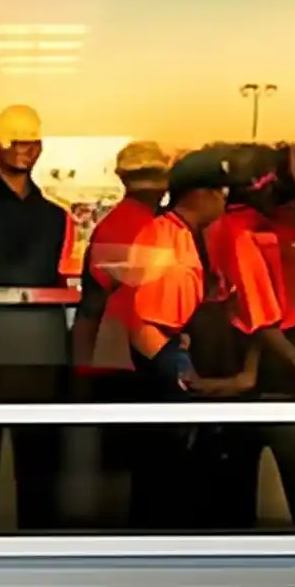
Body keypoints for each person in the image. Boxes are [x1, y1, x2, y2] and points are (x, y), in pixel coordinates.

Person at [107, 147, 259, 529]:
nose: (225, 201)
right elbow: (138, 314)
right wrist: (173, 367)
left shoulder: (182, 235)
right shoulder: (163, 237)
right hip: (160, 364)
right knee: (166, 474)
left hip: (171, 352)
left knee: (181, 472)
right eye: (221, 192)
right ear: (201, 194)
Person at [0, 104, 79, 533]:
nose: (25, 150)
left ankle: (41, 554)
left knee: (40, 463)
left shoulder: (55, 216)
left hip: (40, 345)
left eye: (32, 142)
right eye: (16, 142)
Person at [204, 142, 295, 529]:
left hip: (256, 375)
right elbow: (259, 314)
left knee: (236, 499)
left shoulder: (258, 227)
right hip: (276, 381)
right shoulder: (243, 232)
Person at [71, 140, 171, 400]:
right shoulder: (138, 225)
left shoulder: (125, 222)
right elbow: (98, 302)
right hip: (129, 361)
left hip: (122, 358)